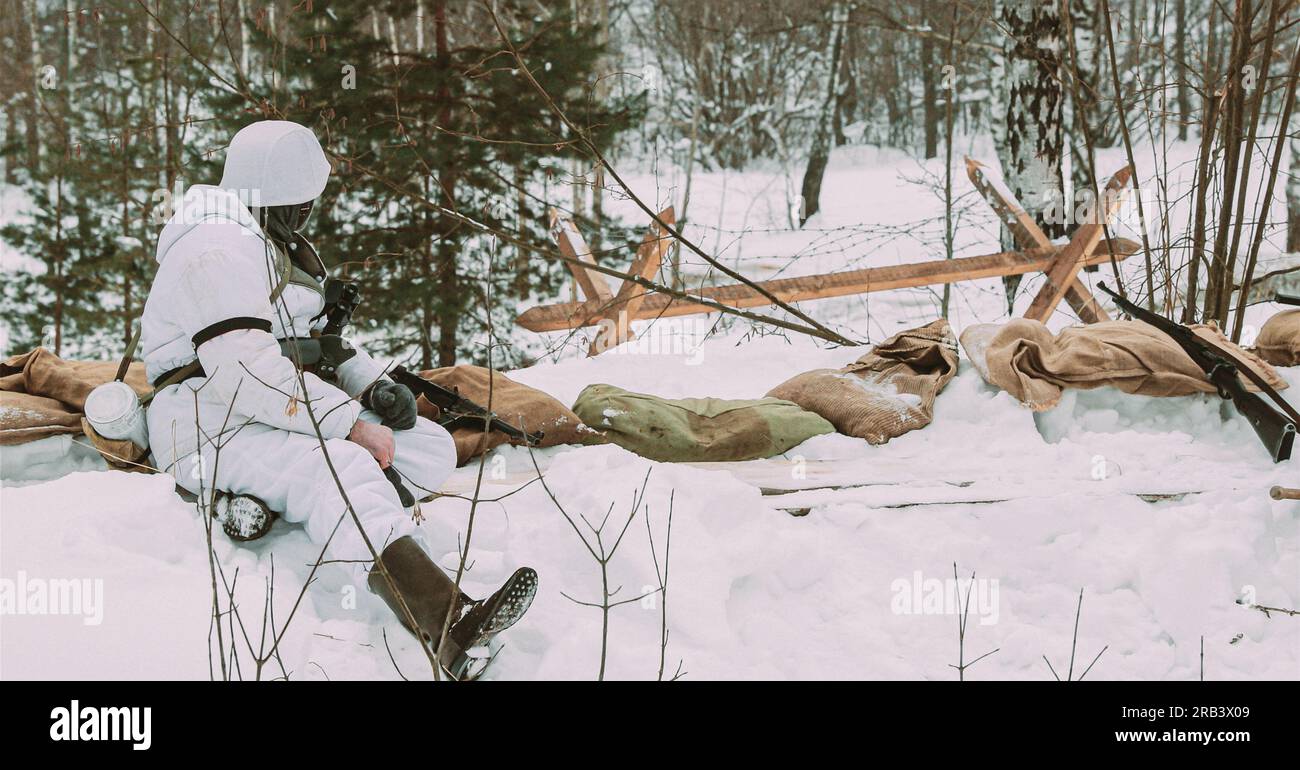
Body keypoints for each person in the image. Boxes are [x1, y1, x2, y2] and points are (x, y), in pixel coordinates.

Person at [139, 120, 535, 678]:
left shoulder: (268, 242)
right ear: (281, 197)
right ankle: (448, 625)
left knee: (425, 448)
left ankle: (255, 506)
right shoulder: (215, 248)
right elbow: (245, 372)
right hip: (207, 421)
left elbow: (312, 344)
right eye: (301, 203)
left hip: (267, 410)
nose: (307, 215)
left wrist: (371, 385)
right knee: (341, 467)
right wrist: (348, 424)